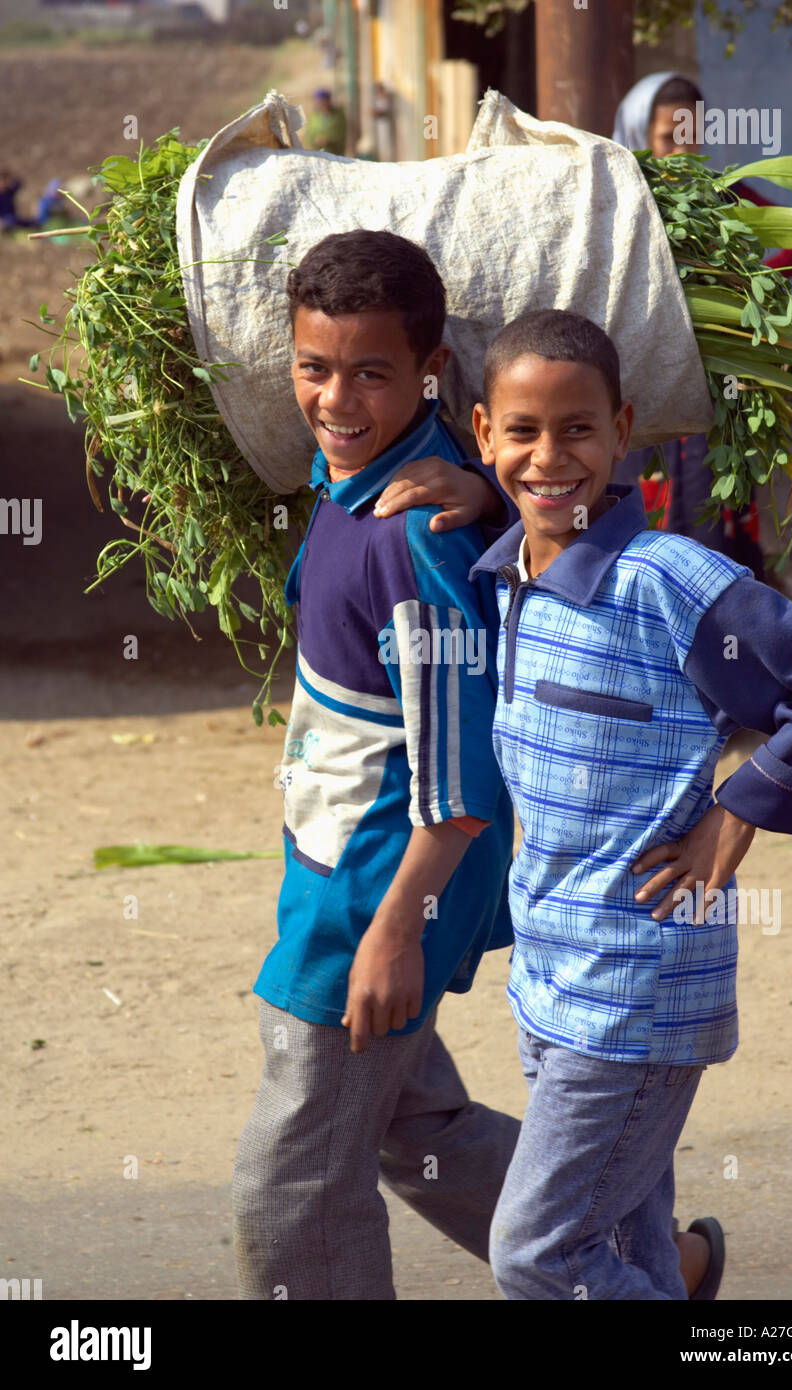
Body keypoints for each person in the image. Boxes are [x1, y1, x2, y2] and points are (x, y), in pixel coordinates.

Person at [465, 307, 792, 1299]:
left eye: (577, 429)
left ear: (623, 430)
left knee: (538, 1254)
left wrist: (739, 807)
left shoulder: (670, 582)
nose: (548, 455)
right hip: (550, 979)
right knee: (629, 1252)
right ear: (481, 434)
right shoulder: (503, 576)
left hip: (636, 991)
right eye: (520, 430)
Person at [231, 229, 521, 1301]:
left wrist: (397, 930)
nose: (337, 398)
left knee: (291, 1172)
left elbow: (462, 766)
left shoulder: (417, 529)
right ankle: (643, 1266)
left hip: (379, 881)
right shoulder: (354, 478)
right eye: (315, 368)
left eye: (370, 372)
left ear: (430, 370)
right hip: (339, 853)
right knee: (414, 1127)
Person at [612, 73, 792, 579]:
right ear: (640, 133)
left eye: (694, 133)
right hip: (635, 387)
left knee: (715, 518)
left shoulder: (719, 196)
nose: (684, 149)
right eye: (669, 137)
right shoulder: (616, 201)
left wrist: (747, 291)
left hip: (714, 387)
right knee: (637, 525)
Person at [304, 88, 348, 156]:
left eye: (323, 101)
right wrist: (315, 140)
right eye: (318, 101)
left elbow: (341, 133)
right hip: (317, 153)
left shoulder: (338, 115)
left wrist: (328, 140)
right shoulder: (314, 116)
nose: (321, 104)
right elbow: (309, 133)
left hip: (335, 153)